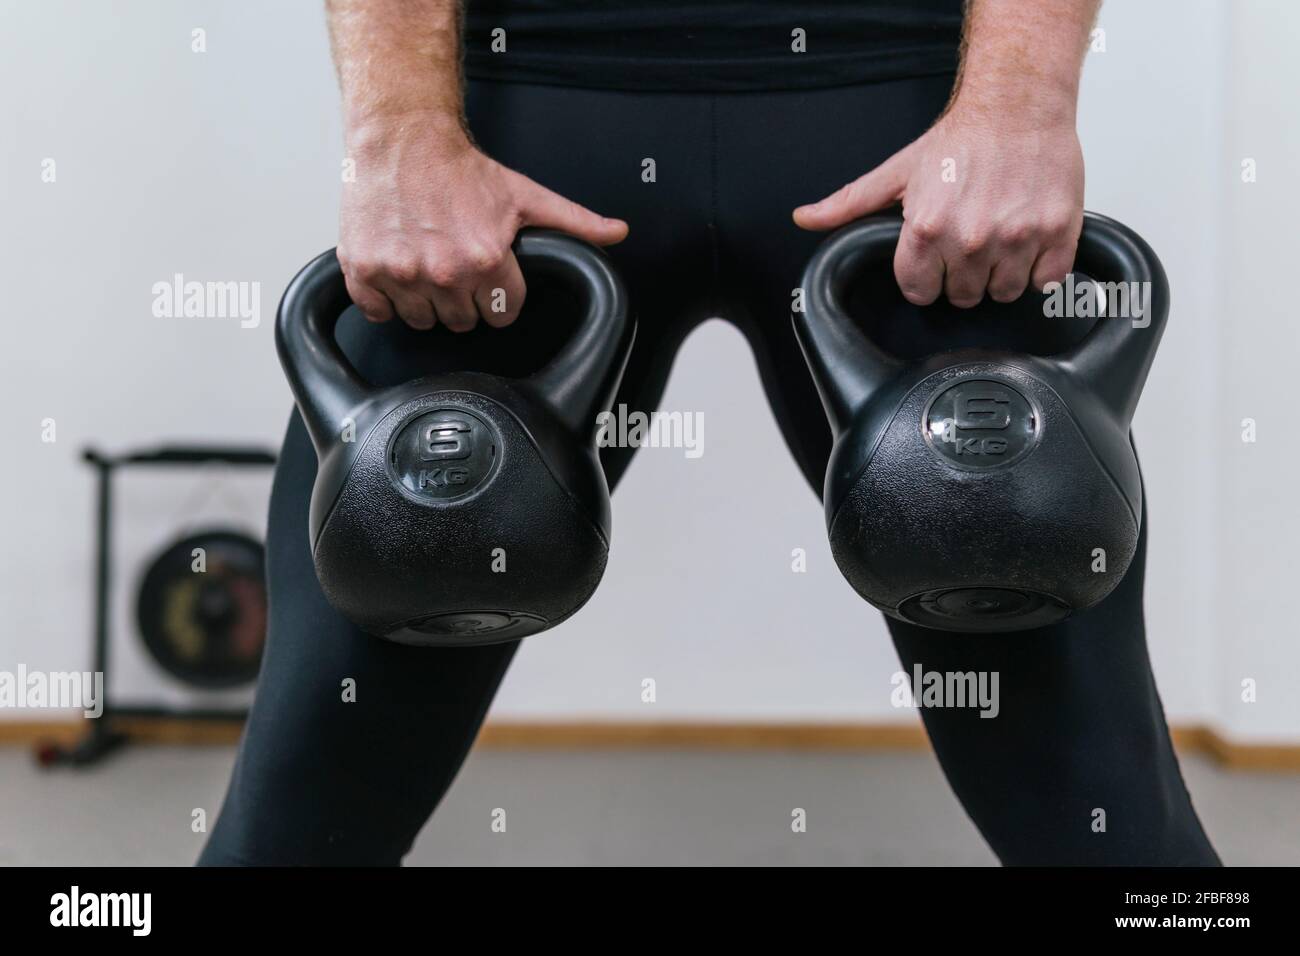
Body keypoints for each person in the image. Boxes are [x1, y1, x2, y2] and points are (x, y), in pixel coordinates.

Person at [200, 0, 1220, 866]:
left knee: (1096, 795)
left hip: (899, 109)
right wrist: (399, 135)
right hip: (521, 112)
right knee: (311, 776)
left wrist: (1022, 103)